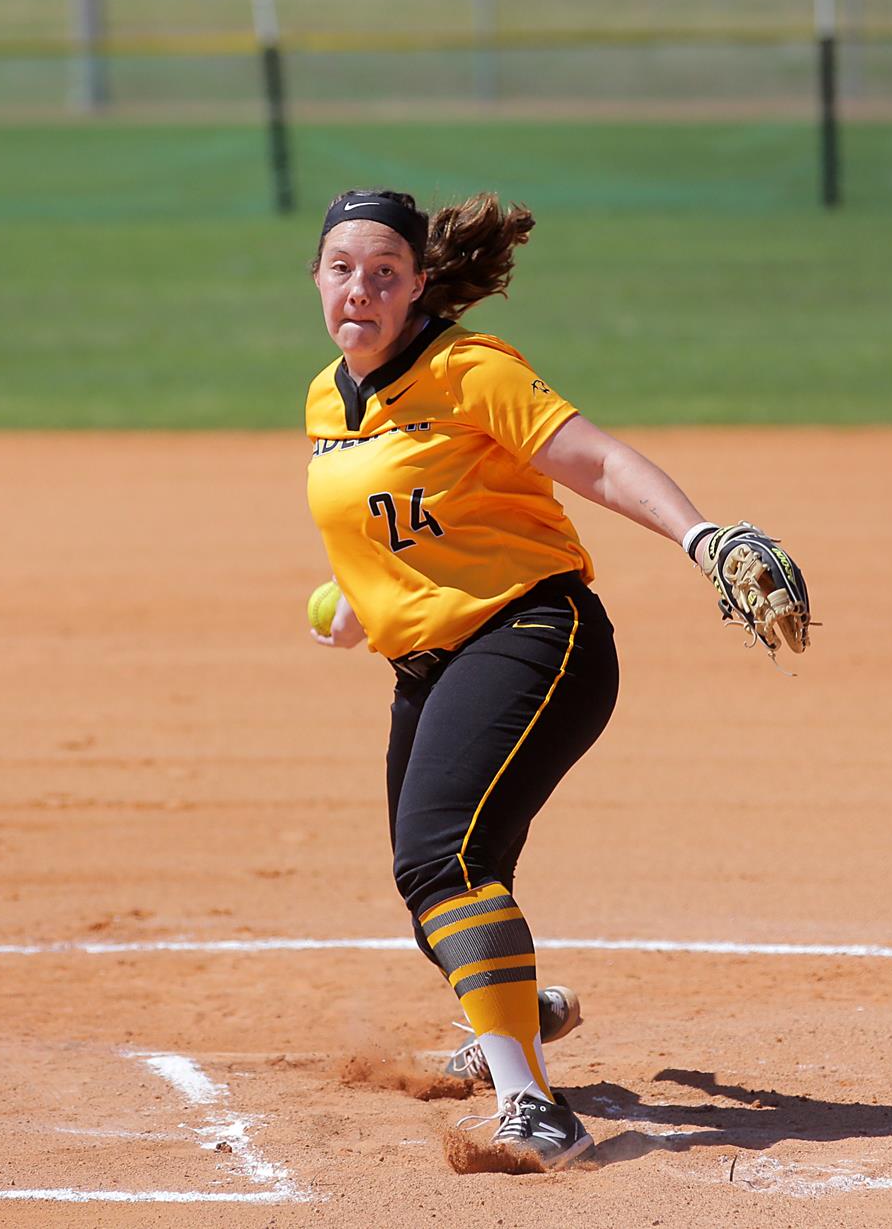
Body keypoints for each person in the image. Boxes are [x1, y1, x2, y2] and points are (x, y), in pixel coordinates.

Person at [303, 188, 796, 1171]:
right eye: (341, 267)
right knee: (429, 889)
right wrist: (358, 600)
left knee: (442, 862)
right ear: (317, 279)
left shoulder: (470, 370)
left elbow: (599, 464)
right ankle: (516, 1015)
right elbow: (400, 519)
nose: (360, 287)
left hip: (533, 636)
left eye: (384, 272)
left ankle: (536, 1108)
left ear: (418, 287)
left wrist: (701, 538)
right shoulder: (330, 397)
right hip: (428, 664)